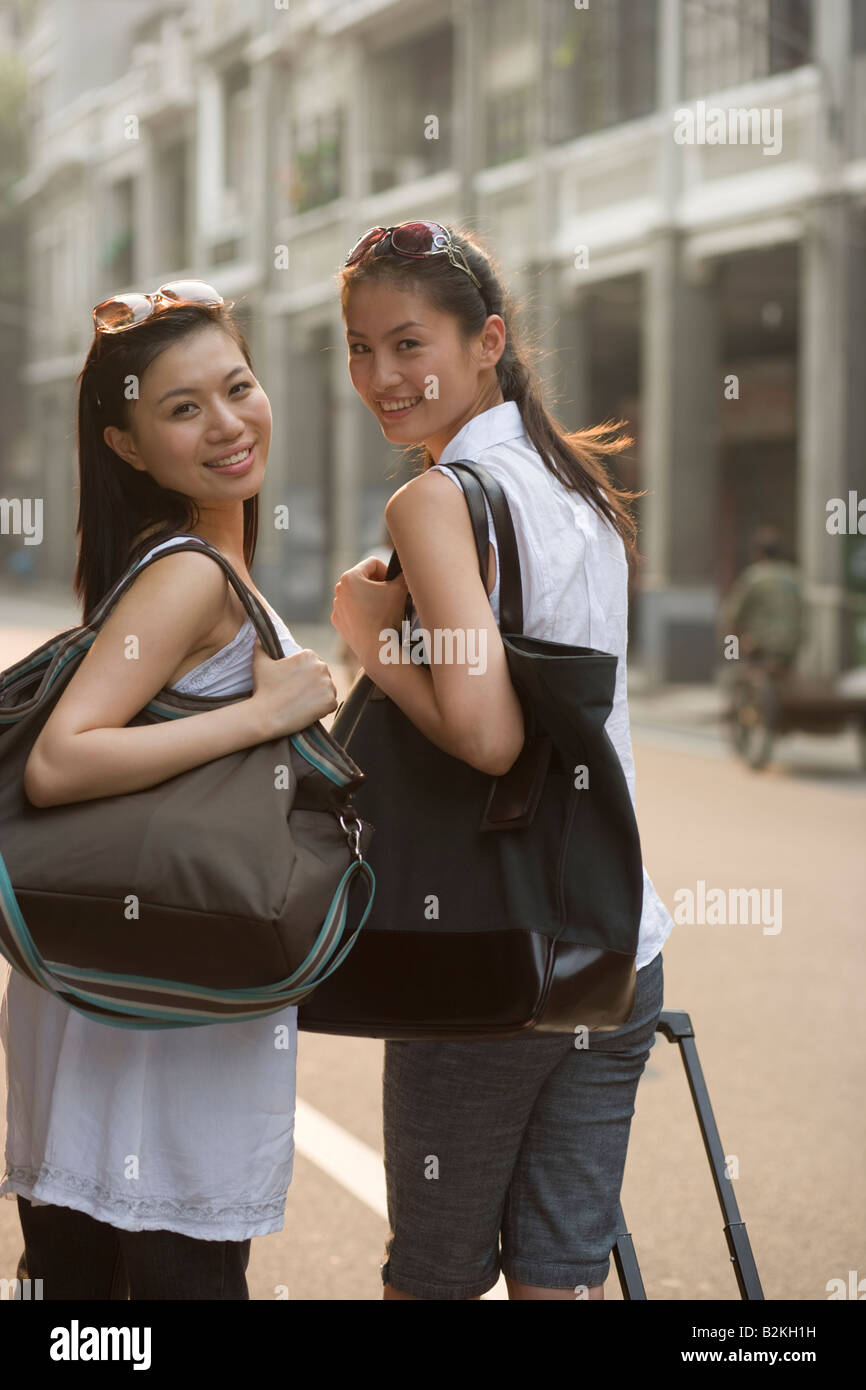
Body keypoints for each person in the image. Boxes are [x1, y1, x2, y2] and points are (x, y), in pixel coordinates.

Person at [330, 221, 675, 1300]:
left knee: (432, 1276)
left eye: (407, 343)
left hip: (490, 957)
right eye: (357, 348)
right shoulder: (571, 483)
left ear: (487, 341)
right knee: (558, 1277)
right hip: (616, 943)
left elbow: (486, 735)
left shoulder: (431, 501)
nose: (381, 376)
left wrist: (368, 638)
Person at [0, 282, 338, 1298]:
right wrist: (263, 714)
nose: (228, 423)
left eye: (237, 386)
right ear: (127, 446)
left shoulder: (198, 563)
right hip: (153, 1030)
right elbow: (64, 760)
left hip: (135, 994)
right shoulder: (187, 572)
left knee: (88, 1295)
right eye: (182, 408)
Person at [721, 525, 804, 678]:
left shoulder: (753, 577)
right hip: (791, 647)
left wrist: (732, 647)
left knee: (742, 670)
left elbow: (733, 615)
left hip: (761, 647)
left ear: (758, 553)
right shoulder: (794, 577)